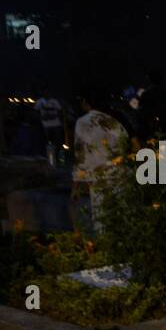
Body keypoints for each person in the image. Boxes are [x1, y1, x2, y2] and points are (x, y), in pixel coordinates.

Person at [72, 91, 129, 232]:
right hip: (120, 175)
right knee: (122, 218)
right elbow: (125, 145)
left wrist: (76, 185)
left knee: (102, 219)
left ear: (86, 102)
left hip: (100, 178)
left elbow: (81, 156)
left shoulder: (83, 122)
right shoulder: (112, 121)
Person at [35, 91, 65, 166]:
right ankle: (50, 160)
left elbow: (60, 111)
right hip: (46, 125)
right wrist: (41, 118)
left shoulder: (54, 101)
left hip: (56, 124)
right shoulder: (40, 101)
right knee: (48, 143)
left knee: (59, 142)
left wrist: (59, 119)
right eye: (45, 92)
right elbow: (36, 111)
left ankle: (61, 160)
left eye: (48, 92)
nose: (47, 94)